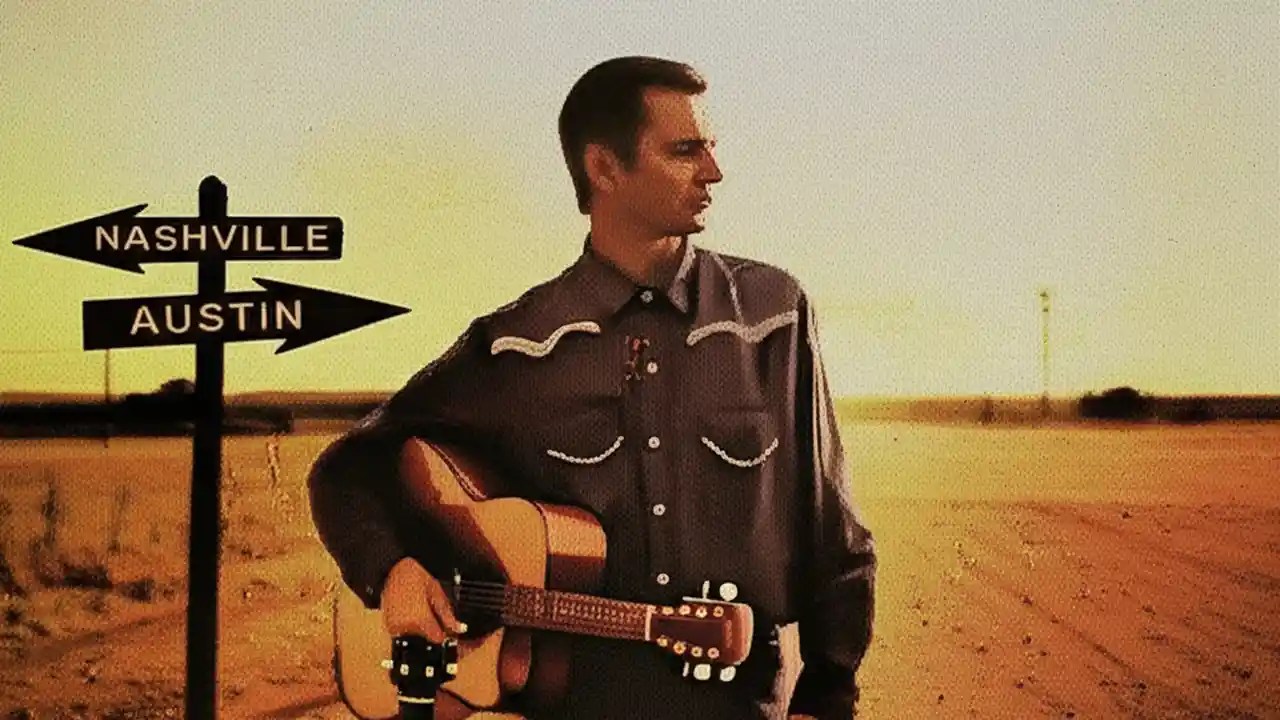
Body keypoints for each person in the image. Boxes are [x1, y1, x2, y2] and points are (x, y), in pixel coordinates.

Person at [308, 56, 876, 720]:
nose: (714, 172)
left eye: (712, 148)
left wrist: (831, 691)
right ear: (604, 169)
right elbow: (348, 470)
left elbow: (831, 526)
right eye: (685, 151)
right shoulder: (514, 346)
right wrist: (395, 571)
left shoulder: (771, 313)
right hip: (575, 701)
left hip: (743, 704)